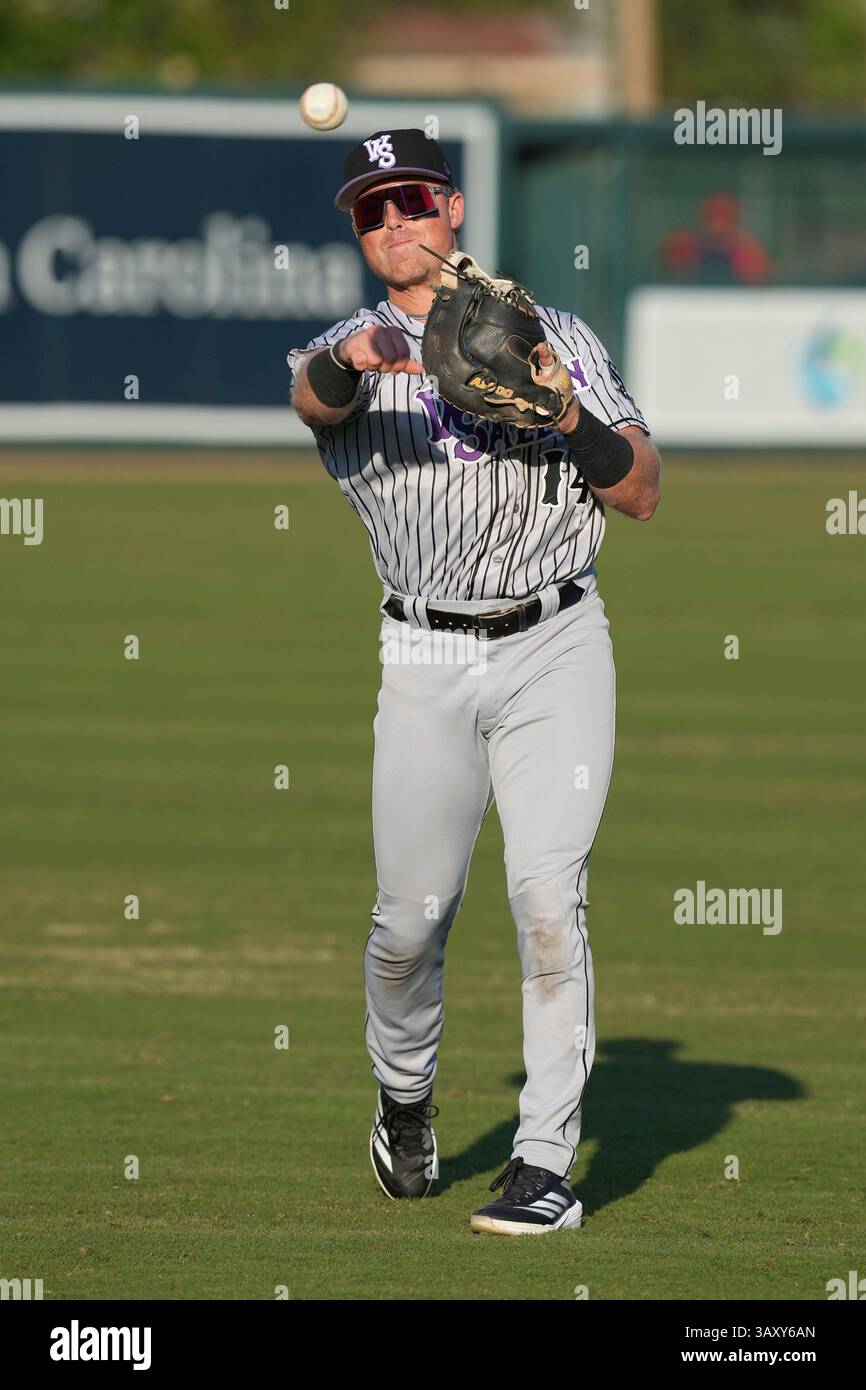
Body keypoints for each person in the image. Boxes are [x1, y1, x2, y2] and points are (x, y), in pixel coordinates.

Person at [288, 129, 661, 1235]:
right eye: (371, 211)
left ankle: (544, 1161)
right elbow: (313, 401)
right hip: (424, 655)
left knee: (548, 899)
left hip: (555, 641)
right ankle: (403, 1098)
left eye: (409, 200)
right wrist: (356, 363)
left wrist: (559, 410)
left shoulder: (553, 336)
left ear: (452, 209)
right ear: (360, 236)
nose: (392, 222)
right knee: (407, 922)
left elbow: (638, 490)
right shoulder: (343, 350)